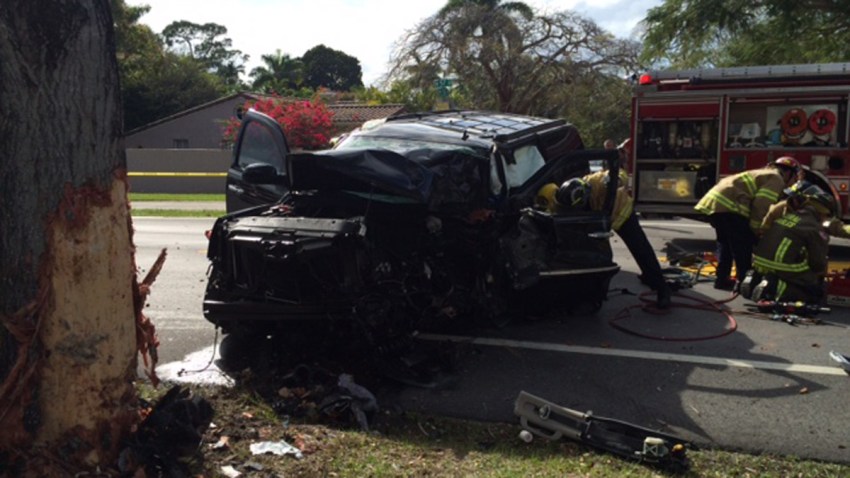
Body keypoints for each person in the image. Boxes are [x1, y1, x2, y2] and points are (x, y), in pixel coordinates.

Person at [550, 170, 672, 309]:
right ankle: (594, 292)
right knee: (598, 256)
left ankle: (662, 289)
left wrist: (616, 180)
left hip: (622, 214)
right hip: (600, 220)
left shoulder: (596, 181)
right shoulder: (565, 197)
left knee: (641, 249)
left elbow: (621, 174)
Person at [694, 156, 801, 290]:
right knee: (742, 246)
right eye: (794, 179)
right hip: (732, 208)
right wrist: (757, 231)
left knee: (725, 244)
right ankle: (745, 282)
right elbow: (762, 205)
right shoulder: (776, 178)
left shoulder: (763, 172)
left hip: (715, 205)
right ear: (789, 172)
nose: (791, 184)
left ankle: (721, 280)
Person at [752, 184, 832, 303]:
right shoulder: (814, 228)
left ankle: (762, 280)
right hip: (781, 267)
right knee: (814, 289)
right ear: (821, 213)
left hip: (757, 262)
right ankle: (778, 289)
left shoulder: (787, 215)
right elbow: (817, 263)